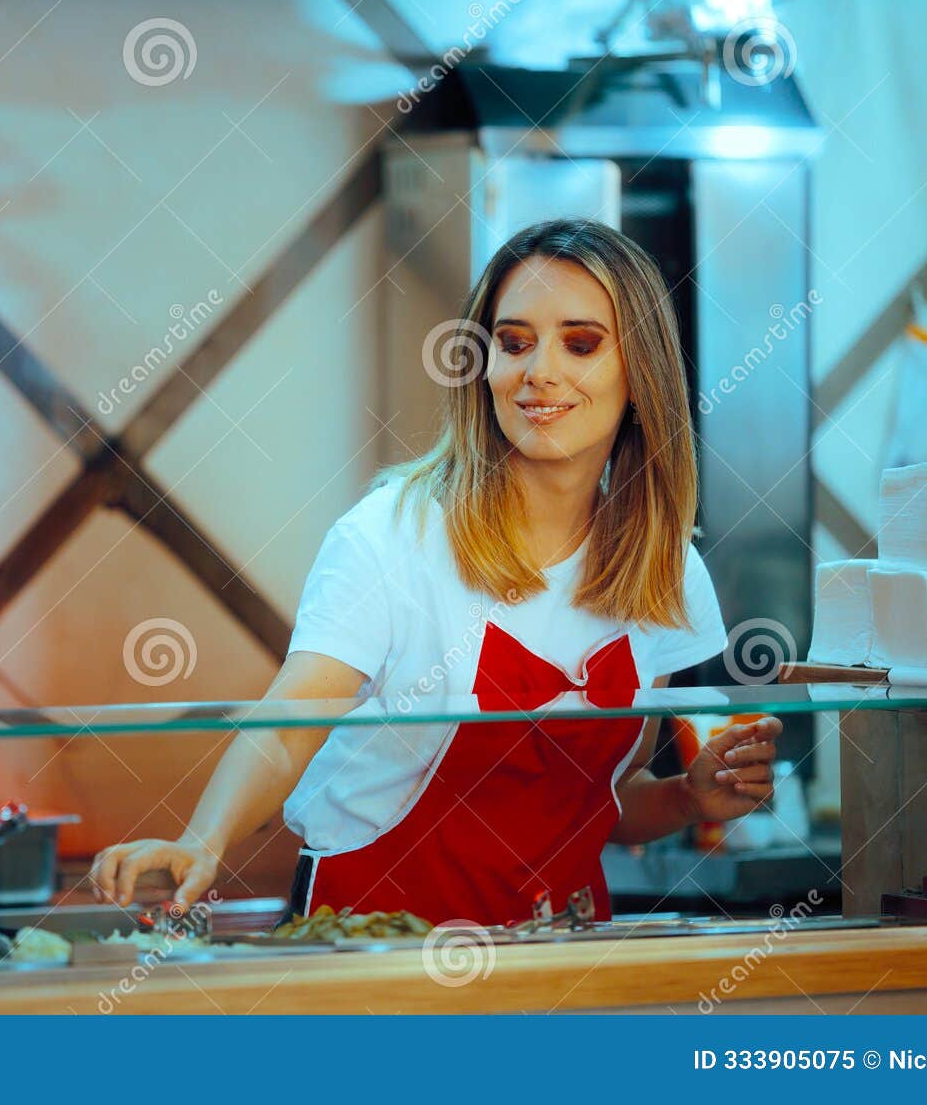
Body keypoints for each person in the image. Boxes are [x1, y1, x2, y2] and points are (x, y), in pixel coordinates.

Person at [93, 218, 781, 926]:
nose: (538, 371)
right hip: (377, 942)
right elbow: (288, 724)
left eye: (580, 343)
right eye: (513, 343)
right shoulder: (391, 535)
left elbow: (594, 807)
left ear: (642, 374)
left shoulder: (662, 568)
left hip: (560, 960)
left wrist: (688, 799)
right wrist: (201, 839)